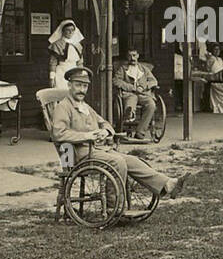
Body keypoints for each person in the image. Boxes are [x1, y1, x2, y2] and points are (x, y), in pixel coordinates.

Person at [48, 66, 188, 199]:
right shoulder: (63, 107)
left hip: (98, 150)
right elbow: (59, 134)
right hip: (77, 154)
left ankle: (167, 184)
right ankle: (114, 207)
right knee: (117, 162)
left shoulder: (85, 107)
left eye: (85, 86)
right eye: (78, 85)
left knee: (132, 160)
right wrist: (86, 136)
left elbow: (106, 123)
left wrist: (105, 131)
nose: (81, 90)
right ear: (69, 85)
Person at [113, 48, 158, 140]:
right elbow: (116, 80)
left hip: (143, 94)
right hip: (129, 93)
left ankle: (140, 132)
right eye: (130, 56)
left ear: (137, 56)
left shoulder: (144, 69)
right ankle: (130, 113)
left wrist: (144, 87)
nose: (132, 58)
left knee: (151, 105)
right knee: (131, 100)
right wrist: (132, 88)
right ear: (127, 57)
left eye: (134, 55)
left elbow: (153, 81)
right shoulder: (123, 69)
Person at [47, 20, 84, 87]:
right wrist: (52, 78)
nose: (70, 32)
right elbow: (53, 63)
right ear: (63, 31)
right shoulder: (57, 45)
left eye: (72, 30)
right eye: (68, 30)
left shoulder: (78, 45)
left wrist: (81, 75)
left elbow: (80, 62)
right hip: (61, 73)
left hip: (74, 72)